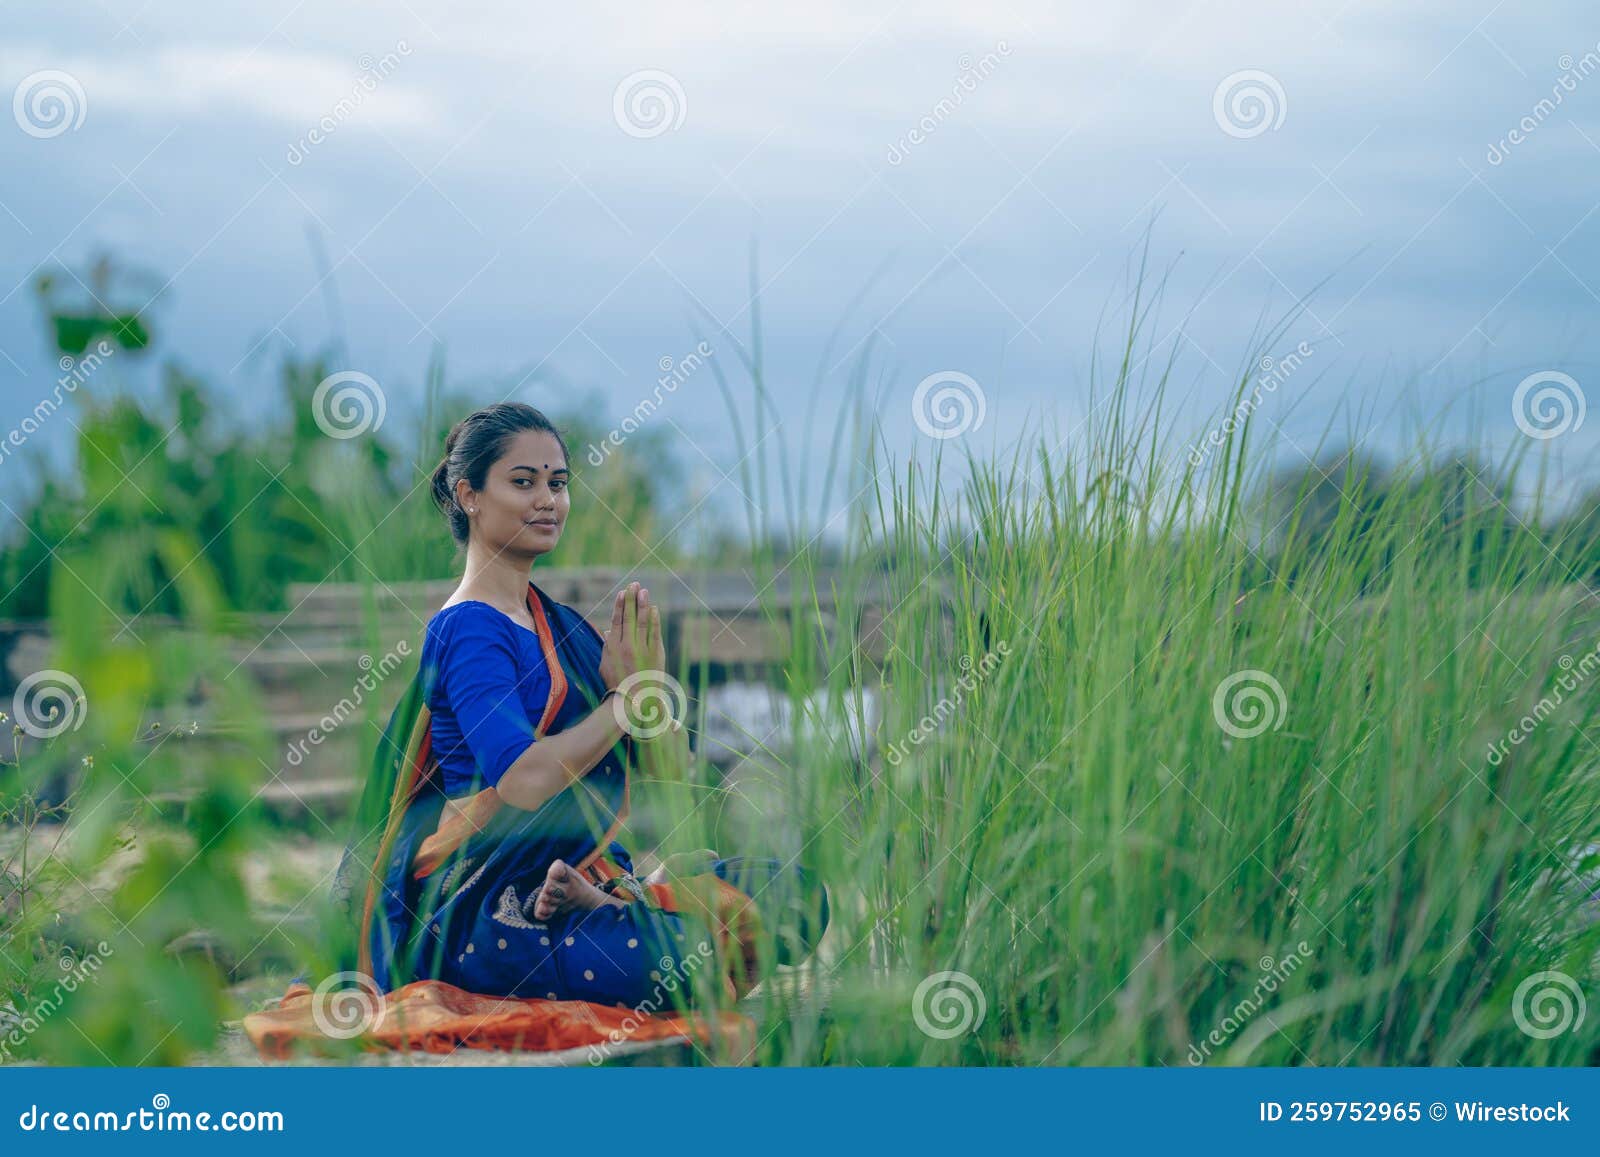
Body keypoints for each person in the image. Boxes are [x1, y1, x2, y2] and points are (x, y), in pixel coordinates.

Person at [331, 402, 826, 1013]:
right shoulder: (468, 632)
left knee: (797, 896)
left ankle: (609, 906)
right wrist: (620, 704)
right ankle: (614, 919)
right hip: (489, 909)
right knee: (686, 967)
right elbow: (524, 780)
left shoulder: (562, 629)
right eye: (523, 482)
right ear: (469, 496)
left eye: (557, 483)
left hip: (587, 876)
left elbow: (663, 769)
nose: (548, 499)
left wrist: (648, 692)